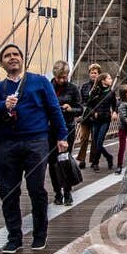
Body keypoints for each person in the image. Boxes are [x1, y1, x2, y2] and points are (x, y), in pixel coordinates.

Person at [0, 41, 67, 254]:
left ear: (22, 59)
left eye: (16, 54)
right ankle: (14, 238)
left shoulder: (40, 82)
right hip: (8, 143)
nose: (12, 57)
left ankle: (39, 235)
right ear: (2, 64)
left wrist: (62, 136)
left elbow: (54, 109)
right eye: (7, 56)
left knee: (36, 189)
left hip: (36, 141)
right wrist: (2, 106)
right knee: (8, 191)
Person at [48, 60, 81, 205]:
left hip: (68, 128)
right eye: (59, 77)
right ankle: (57, 193)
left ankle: (67, 192)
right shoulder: (47, 87)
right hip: (50, 130)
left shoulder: (73, 89)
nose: (62, 80)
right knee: (52, 162)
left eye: (64, 77)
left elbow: (80, 109)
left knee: (64, 160)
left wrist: (70, 109)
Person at [84, 71, 117, 170]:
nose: (111, 80)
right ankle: (108, 157)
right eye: (109, 78)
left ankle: (96, 162)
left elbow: (115, 105)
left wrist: (115, 112)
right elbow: (89, 105)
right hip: (95, 119)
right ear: (103, 80)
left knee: (99, 142)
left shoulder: (111, 92)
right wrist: (94, 112)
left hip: (106, 119)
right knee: (95, 142)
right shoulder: (95, 91)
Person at [74, 63, 103, 165]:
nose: (93, 75)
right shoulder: (84, 86)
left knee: (95, 139)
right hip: (86, 115)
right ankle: (82, 159)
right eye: (91, 73)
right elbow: (81, 100)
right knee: (84, 138)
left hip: (96, 115)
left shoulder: (102, 87)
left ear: (99, 74)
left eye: (95, 73)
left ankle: (94, 160)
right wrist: (81, 111)